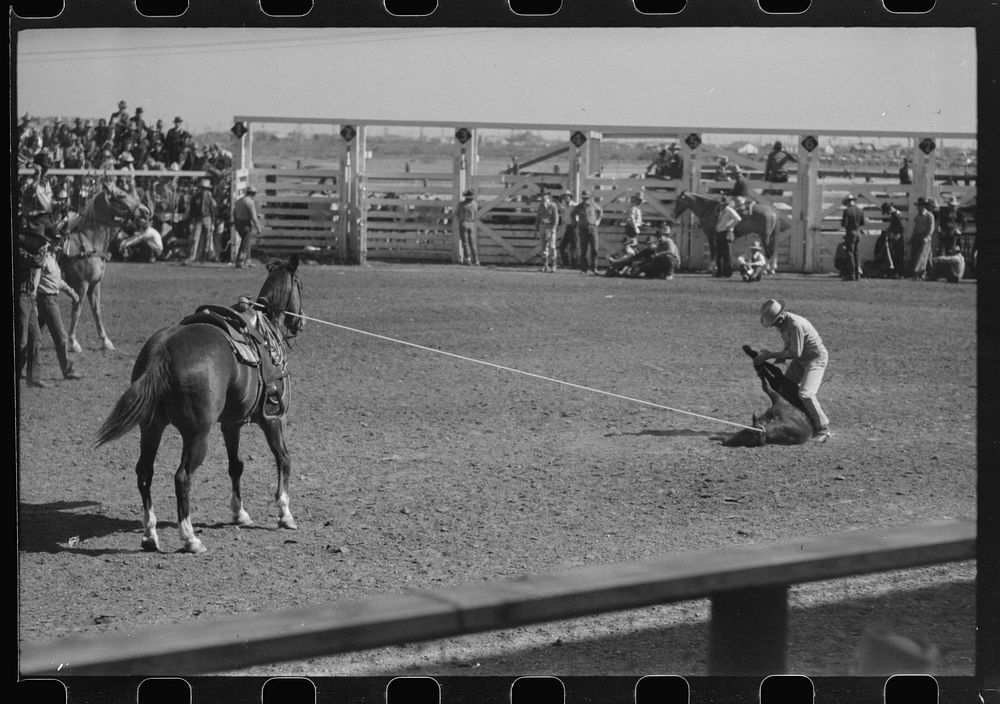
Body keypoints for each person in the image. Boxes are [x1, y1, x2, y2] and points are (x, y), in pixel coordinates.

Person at [754, 299, 831, 442]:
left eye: (775, 322)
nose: (774, 326)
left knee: (806, 393)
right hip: (801, 359)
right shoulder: (784, 325)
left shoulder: (795, 324)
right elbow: (790, 345)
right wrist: (781, 357)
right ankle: (803, 419)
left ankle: (823, 427)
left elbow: (796, 353)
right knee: (785, 388)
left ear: (781, 317)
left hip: (815, 359)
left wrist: (771, 355)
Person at [35, 248, 85, 381]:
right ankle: (67, 370)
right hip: (47, 301)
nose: (58, 246)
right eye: (56, 242)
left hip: (47, 300)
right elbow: (35, 279)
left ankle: (22, 367)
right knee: (62, 337)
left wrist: (71, 292)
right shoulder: (43, 258)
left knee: (33, 335)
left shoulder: (52, 258)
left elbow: (57, 280)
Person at [185, 178, 217, 264]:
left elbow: (213, 211)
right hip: (198, 218)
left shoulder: (210, 198)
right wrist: (191, 222)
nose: (204, 190)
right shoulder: (195, 197)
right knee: (195, 238)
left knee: (207, 238)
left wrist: (213, 223)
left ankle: (204, 257)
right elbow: (192, 211)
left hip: (207, 218)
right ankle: (192, 256)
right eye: (203, 188)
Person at [572, 190, 603, 275]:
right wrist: (577, 223)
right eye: (584, 198)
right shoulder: (579, 207)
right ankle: (583, 269)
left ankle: (594, 268)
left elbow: (600, 211)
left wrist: (598, 220)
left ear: (589, 198)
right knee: (583, 250)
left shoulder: (593, 205)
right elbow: (573, 215)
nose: (585, 199)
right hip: (583, 229)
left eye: (587, 198)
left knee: (595, 249)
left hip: (592, 227)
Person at [232, 185, 263, 268]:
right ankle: (239, 261)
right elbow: (253, 217)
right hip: (245, 223)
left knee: (246, 242)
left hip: (238, 222)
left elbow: (234, 213)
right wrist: (258, 227)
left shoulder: (239, 201)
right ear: (253, 194)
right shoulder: (250, 202)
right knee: (244, 242)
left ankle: (247, 260)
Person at [908, 197, 936, 280]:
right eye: (918, 206)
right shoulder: (917, 216)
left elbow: (931, 228)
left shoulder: (929, 215)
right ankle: (921, 273)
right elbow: (916, 228)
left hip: (924, 237)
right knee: (915, 255)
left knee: (922, 255)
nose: (918, 207)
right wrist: (912, 237)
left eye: (920, 206)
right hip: (917, 236)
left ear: (924, 206)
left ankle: (920, 273)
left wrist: (927, 236)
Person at [714, 196, 741, 278]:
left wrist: (729, 225)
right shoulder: (721, 211)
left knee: (727, 254)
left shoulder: (729, 210)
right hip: (720, 233)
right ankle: (719, 272)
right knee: (719, 254)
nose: (722, 205)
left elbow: (738, 218)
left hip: (726, 233)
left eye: (723, 203)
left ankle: (728, 272)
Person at [839, 194, 865, 281]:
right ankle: (858, 274)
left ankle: (851, 274)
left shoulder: (847, 211)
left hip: (850, 233)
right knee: (857, 253)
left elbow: (844, 224)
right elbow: (862, 223)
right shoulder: (860, 210)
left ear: (847, 202)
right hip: (858, 232)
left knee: (850, 253)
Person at [534, 191, 560, 273]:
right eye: (542, 196)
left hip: (550, 226)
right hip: (542, 226)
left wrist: (554, 228)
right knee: (543, 246)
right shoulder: (540, 206)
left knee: (552, 246)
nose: (543, 197)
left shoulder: (553, 205)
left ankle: (553, 265)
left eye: (544, 196)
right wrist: (536, 229)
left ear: (548, 197)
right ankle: (545, 266)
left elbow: (556, 218)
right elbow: (538, 218)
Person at [456, 189, 480, 266]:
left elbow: (457, 214)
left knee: (465, 242)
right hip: (471, 223)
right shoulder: (475, 204)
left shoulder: (461, 204)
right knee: (472, 242)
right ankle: (476, 259)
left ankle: (468, 259)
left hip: (464, 222)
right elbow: (476, 214)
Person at [557, 191, 579, 269]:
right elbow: (561, 208)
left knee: (574, 246)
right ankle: (566, 264)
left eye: (567, 197)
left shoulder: (575, 205)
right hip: (568, 227)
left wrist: (577, 222)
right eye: (564, 197)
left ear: (570, 197)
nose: (565, 199)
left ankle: (574, 265)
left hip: (574, 227)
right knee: (563, 246)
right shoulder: (566, 207)